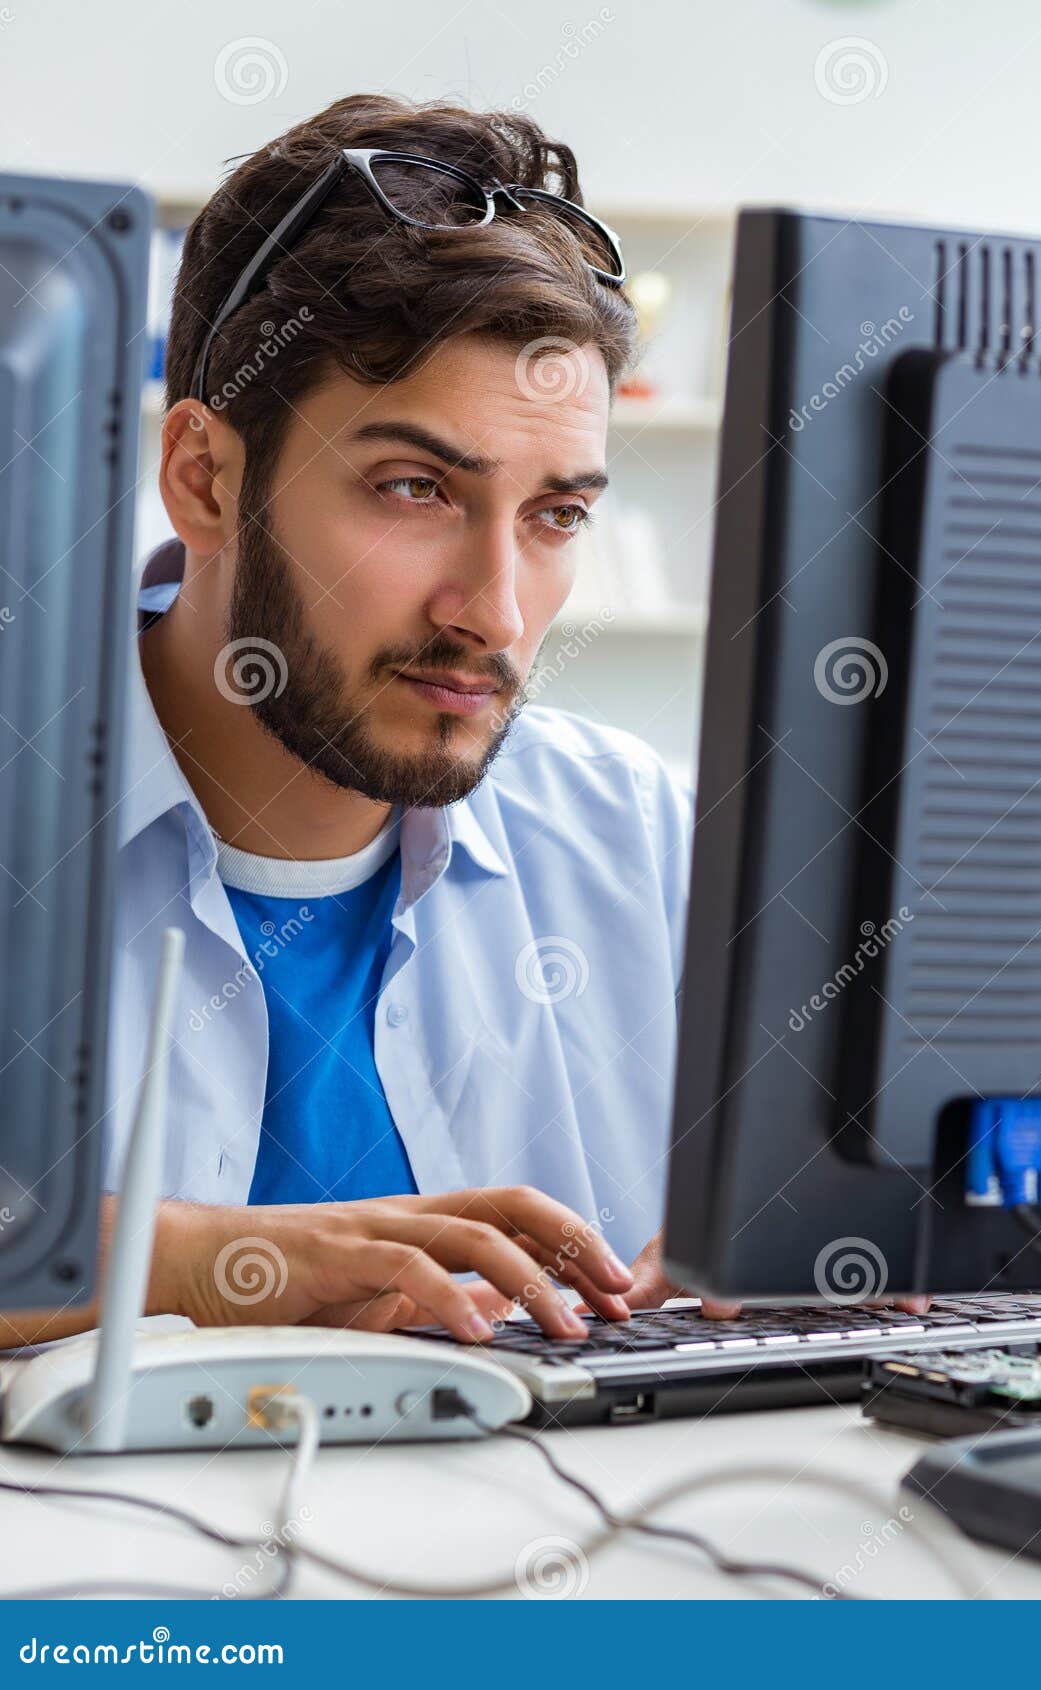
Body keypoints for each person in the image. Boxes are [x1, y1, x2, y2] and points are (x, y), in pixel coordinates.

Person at [5, 92, 737, 1349]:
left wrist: (817, 1257)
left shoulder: (640, 836)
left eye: (556, 515)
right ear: (203, 478)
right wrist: (199, 1262)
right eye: (414, 488)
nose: (494, 613)